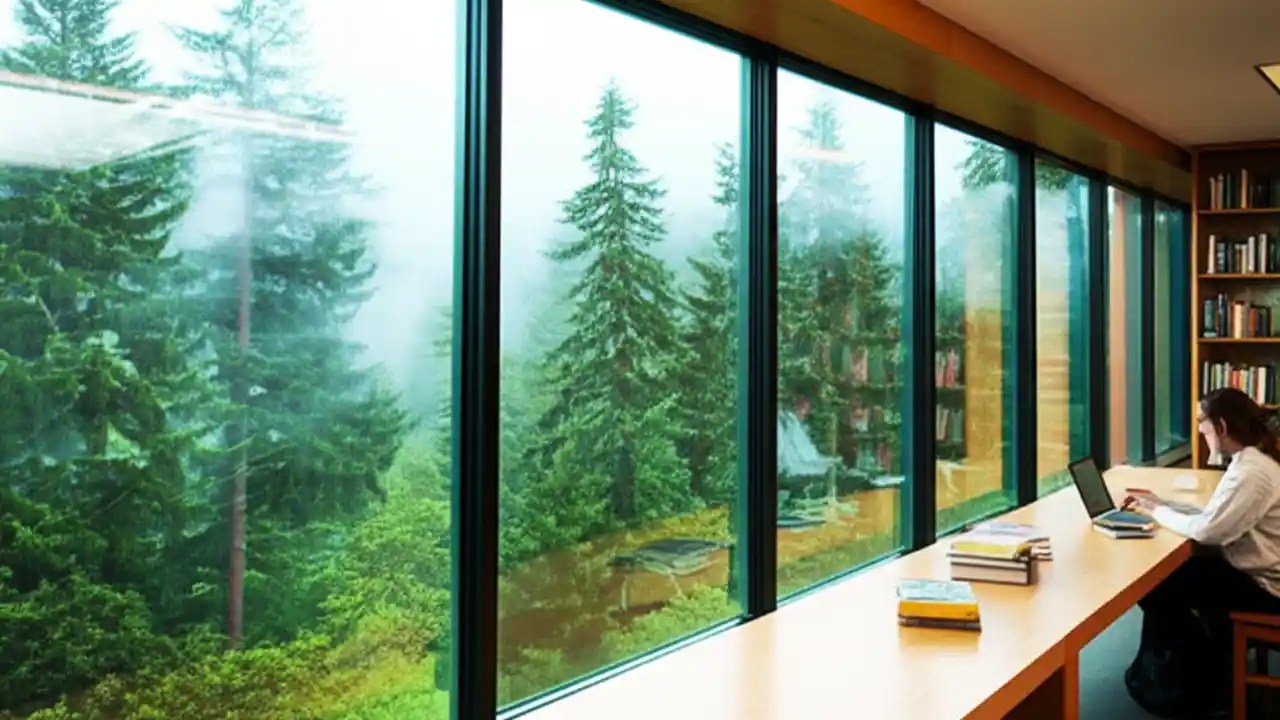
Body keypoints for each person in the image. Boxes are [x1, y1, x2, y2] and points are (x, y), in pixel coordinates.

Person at [1124, 387, 1280, 716]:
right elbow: (1215, 515)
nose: (1198, 429)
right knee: (1172, 582)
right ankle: (1193, 673)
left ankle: (1186, 682)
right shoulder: (1249, 463)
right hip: (1257, 573)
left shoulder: (1251, 474)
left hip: (1267, 589)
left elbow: (1209, 532)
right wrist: (1163, 505)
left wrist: (1156, 513)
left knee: (1159, 585)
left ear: (1221, 426)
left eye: (1201, 421)